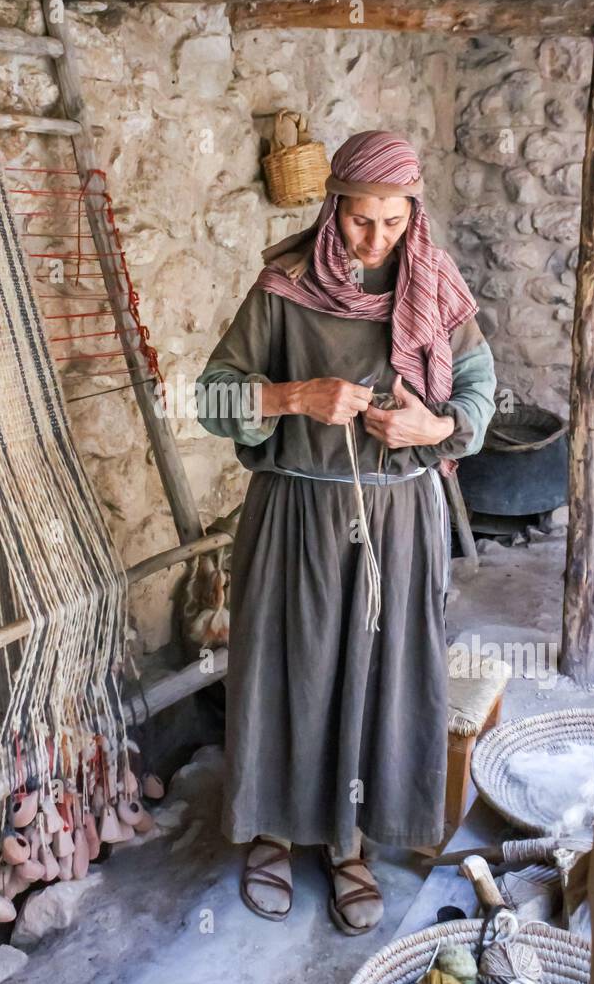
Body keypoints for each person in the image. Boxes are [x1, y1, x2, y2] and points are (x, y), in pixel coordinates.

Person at [195, 130, 496, 934]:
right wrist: (294, 398)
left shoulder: (433, 286)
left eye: (394, 222)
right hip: (296, 512)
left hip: (399, 515)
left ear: (413, 216)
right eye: (361, 221)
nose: (376, 241)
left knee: (377, 673)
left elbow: (478, 393)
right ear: (333, 209)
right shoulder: (283, 288)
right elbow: (210, 397)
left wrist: (432, 430)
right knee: (287, 669)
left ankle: (349, 842)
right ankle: (269, 829)